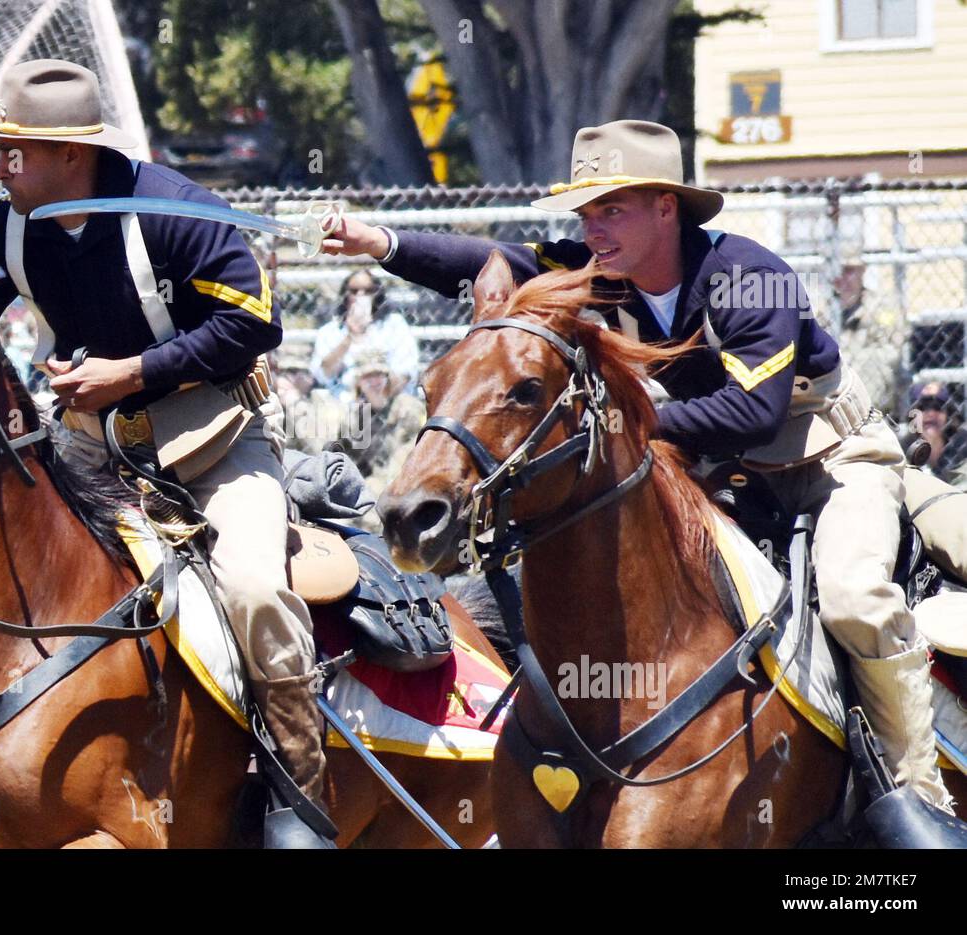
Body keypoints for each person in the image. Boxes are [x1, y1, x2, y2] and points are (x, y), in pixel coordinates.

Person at [322, 119, 957, 814]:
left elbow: (754, 416)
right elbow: (487, 261)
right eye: (587, 213)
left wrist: (617, 426)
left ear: (666, 207)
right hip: (702, 473)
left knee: (851, 596)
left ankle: (915, 790)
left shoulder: (749, 277)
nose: (593, 229)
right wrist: (379, 242)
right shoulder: (599, 272)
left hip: (827, 462)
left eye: (611, 209)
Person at [0, 59, 331, 845]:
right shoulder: (7, 226)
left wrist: (130, 373)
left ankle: (300, 799)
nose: (0, 168)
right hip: (84, 453)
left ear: (69, 154)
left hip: (212, 449)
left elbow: (255, 326)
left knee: (258, 595)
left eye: (14, 151)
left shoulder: (177, 211)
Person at [335, 348, 426, 507]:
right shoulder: (356, 415)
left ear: (388, 378)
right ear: (358, 382)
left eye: (379, 376)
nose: (374, 382)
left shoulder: (408, 407)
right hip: (368, 485)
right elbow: (346, 458)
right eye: (367, 377)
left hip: (403, 483)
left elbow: (410, 452)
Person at [309, 268, 419, 399]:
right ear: (345, 295)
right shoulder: (330, 331)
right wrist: (350, 336)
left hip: (388, 395)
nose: (360, 296)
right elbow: (323, 374)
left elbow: (406, 371)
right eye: (354, 291)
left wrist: (379, 398)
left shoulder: (394, 324)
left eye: (368, 291)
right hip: (346, 400)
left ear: (377, 294)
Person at [904, 381, 967, 485]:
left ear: (948, 415)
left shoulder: (962, 444)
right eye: (922, 407)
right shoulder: (903, 447)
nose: (931, 413)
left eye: (937, 407)